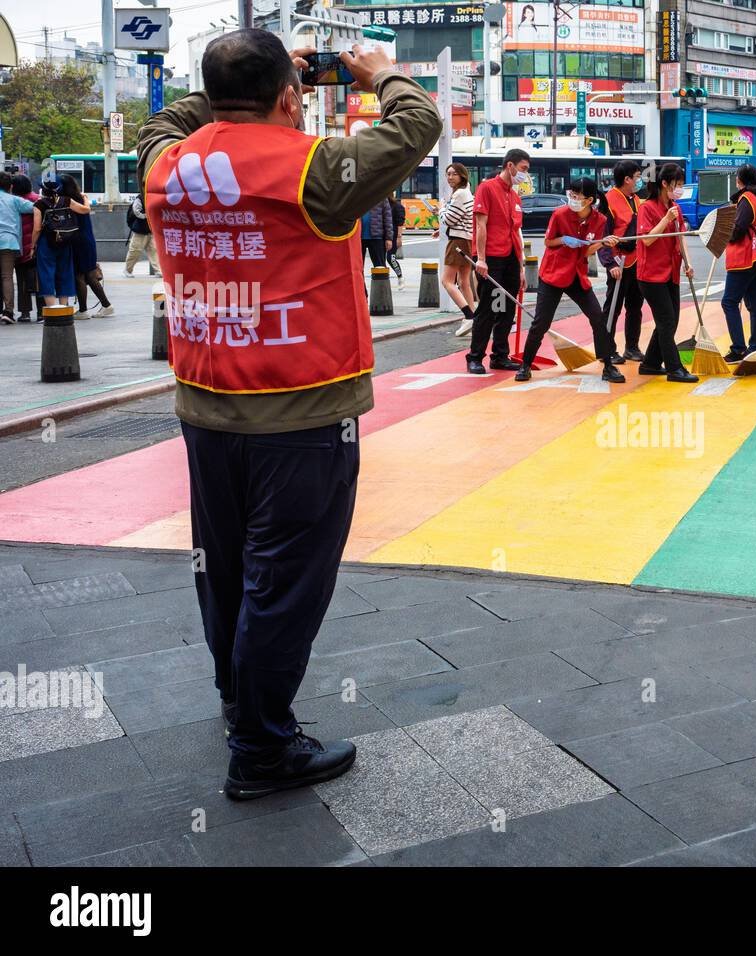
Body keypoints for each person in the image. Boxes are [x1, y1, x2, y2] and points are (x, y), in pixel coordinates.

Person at [136, 29, 441, 798]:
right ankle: (264, 750)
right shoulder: (313, 168)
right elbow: (416, 126)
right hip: (302, 411)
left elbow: (163, 123)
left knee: (226, 570)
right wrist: (385, 73)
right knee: (285, 584)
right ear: (288, 97)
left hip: (206, 409)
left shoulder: (167, 163)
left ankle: (240, 700)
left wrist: (239, 88)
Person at [515, 177, 623, 383]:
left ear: (590, 200)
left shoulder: (599, 220)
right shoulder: (560, 214)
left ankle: (608, 365)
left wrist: (602, 243)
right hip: (553, 274)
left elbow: (587, 251)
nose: (571, 198)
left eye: (576, 195)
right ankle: (525, 365)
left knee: (597, 317)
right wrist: (564, 240)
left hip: (577, 275)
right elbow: (548, 242)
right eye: (571, 194)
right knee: (541, 322)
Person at [467, 148, 528, 375]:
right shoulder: (487, 188)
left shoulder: (514, 196)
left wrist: (520, 267)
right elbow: (480, 226)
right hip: (491, 257)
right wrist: (480, 259)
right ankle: (475, 357)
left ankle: (500, 356)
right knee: (488, 308)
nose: (524, 174)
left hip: (511, 257)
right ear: (510, 166)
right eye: (523, 169)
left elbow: (517, 233)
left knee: (506, 308)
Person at [635, 163, 698, 383]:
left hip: (671, 272)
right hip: (651, 275)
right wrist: (666, 220)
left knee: (670, 320)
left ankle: (651, 363)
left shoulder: (676, 208)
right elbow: (647, 239)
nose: (680, 188)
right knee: (666, 320)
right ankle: (674, 368)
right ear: (664, 183)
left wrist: (687, 263)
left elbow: (681, 236)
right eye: (677, 184)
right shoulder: (647, 208)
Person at [719, 163, 756, 362]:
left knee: (729, 302)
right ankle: (755, 346)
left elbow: (738, 229)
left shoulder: (747, 199)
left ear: (739, 180)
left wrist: (724, 234)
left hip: (743, 257)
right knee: (754, 303)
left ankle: (739, 348)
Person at [598, 160, 645, 362]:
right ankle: (606, 349)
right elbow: (603, 235)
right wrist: (610, 264)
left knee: (635, 307)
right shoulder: (608, 201)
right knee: (613, 308)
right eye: (637, 177)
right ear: (627, 179)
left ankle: (632, 347)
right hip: (619, 262)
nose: (640, 181)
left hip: (637, 261)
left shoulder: (637, 199)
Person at [61, 175, 113, 318]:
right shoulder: (81, 198)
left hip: (77, 242)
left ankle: (84, 310)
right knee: (89, 275)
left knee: (79, 275)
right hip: (87, 241)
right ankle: (106, 306)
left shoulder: (67, 201)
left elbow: (82, 212)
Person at [33, 172, 85, 311]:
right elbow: (85, 210)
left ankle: (52, 308)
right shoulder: (66, 200)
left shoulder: (39, 204)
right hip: (65, 241)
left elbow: (37, 228)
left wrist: (32, 246)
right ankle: (64, 307)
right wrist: (85, 199)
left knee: (46, 273)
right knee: (65, 272)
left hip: (46, 243)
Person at [440, 162, 477, 335]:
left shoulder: (460, 194)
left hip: (458, 242)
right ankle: (471, 319)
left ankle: (469, 316)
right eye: (448, 174)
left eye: (454, 174)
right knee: (463, 282)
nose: (450, 177)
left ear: (462, 175)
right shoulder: (467, 192)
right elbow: (460, 219)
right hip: (467, 241)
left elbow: (448, 220)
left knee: (447, 281)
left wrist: (440, 210)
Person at [0, 172, 35, 324]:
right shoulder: (15, 200)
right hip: (9, 242)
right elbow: (35, 207)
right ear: (11, 187)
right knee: (7, 276)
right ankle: (8, 311)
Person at [9, 175, 40, 321]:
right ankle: (42, 311)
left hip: (19, 246)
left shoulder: (13, 201)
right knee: (39, 280)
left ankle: (25, 313)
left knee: (21, 281)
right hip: (37, 246)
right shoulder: (37, 199)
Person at [123, 191, 159, 277]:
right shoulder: (140, 198)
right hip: (140, 230)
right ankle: (128, 270)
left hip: (150, 230)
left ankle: (158, 270)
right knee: (135, 251)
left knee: (154, 251)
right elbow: (136, 212)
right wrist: (148, 216)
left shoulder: (152, 196)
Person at [358, 193, 392, 272]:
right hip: (358, 238)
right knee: (357, 268)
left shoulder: (381, 196)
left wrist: (389, 238)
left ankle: (381, 284)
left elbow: (388, 219)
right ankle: (361, 284)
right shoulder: (357, 195)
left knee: (380, 267)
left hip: (377, 237)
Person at [387, 193, 406, 290]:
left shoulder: (397, 206)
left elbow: (400, 223)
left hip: (393, 236)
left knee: (391, 258)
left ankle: (400, 277)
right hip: (382, 235)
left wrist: (399, 237)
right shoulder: (381, 204)